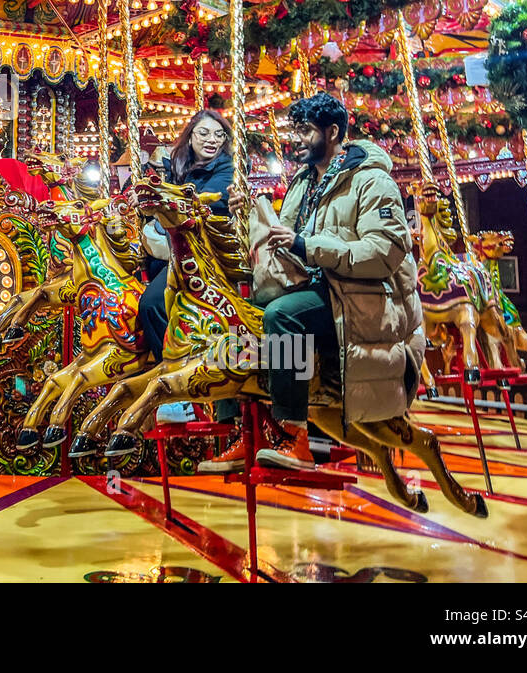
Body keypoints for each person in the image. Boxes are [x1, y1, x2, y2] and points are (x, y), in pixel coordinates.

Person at [254, 92, 424, 470]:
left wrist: (307, 246)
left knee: (283, 317)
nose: (296, 138)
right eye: (294, 130)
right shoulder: (302, 181)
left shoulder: (372, 181)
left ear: (332, 132)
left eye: (305, 131)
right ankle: (238, 426)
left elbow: (384, 251)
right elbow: (289, 238)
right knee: (238, 317)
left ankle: (292, 432)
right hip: (317, 287)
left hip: (358, 296)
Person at [136, 110, 238, 458]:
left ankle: (176, 389)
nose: (212, 141)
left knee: (152, 303)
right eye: (204, 134)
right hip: (172, 246)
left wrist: (166, 202)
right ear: (190, 137)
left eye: (219, 135)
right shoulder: (173, 163)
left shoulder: (226, 168)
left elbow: (199, 204)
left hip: (204, 251)